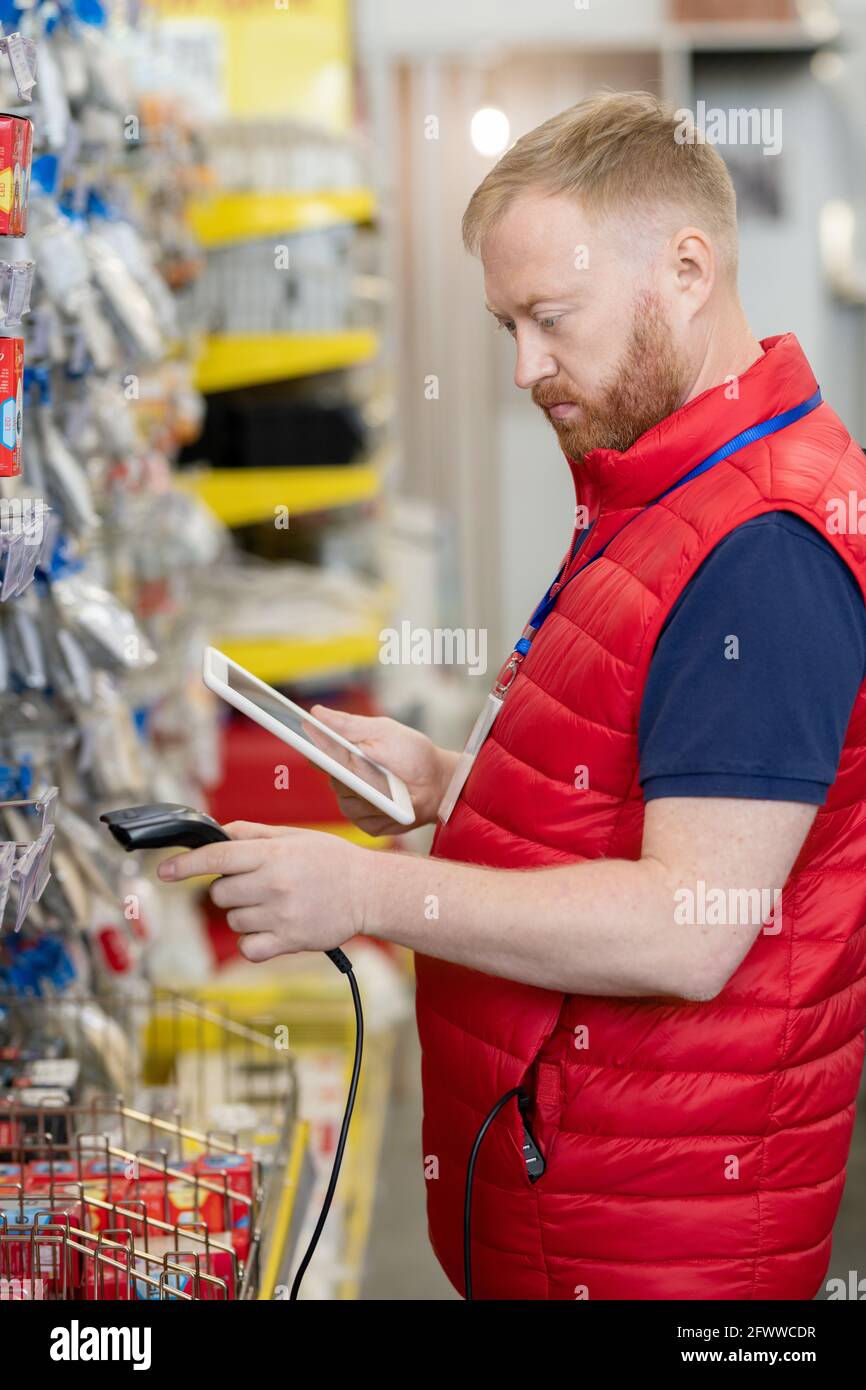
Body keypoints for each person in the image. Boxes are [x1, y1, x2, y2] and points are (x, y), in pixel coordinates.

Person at [159, 92, 866, 1301]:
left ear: (685, 269)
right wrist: (450, 783)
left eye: (549, 318)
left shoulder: (763, 547)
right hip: (582, 1198)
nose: (527, 367)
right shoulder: (662, 489)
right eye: (507, 326)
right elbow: (636, 781)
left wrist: (371, 890)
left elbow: (685, 928)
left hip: (657, 1243)